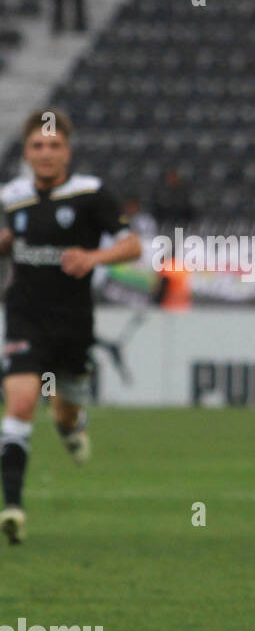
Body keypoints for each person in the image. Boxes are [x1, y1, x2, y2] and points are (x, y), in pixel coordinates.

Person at [0, 110, 142, 544]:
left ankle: (69, 426)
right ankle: (13, 508)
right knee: (21, 403)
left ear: (68, 151)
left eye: (54, 145)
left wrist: (93, 258)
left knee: (64, 406)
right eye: (37, 146)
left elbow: (133, 244)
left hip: (74, 325)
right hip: (24, 315)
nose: (45, 154)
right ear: (26, 152)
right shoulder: (11, 196)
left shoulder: (91, 194)